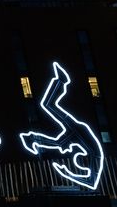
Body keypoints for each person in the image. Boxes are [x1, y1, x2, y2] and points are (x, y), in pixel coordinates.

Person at [16, 62, 105, 190]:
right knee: (50, 113)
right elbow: (92, 182)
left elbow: (91, 182)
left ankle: (61, 82)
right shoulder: (95, 155)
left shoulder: (91, 153)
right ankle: (32, 138)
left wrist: (67, 173)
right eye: (76, 153)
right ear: (83, 158)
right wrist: (67, 173)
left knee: (48, 105)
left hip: (77, 130)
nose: (69, 151)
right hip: (77, 131)